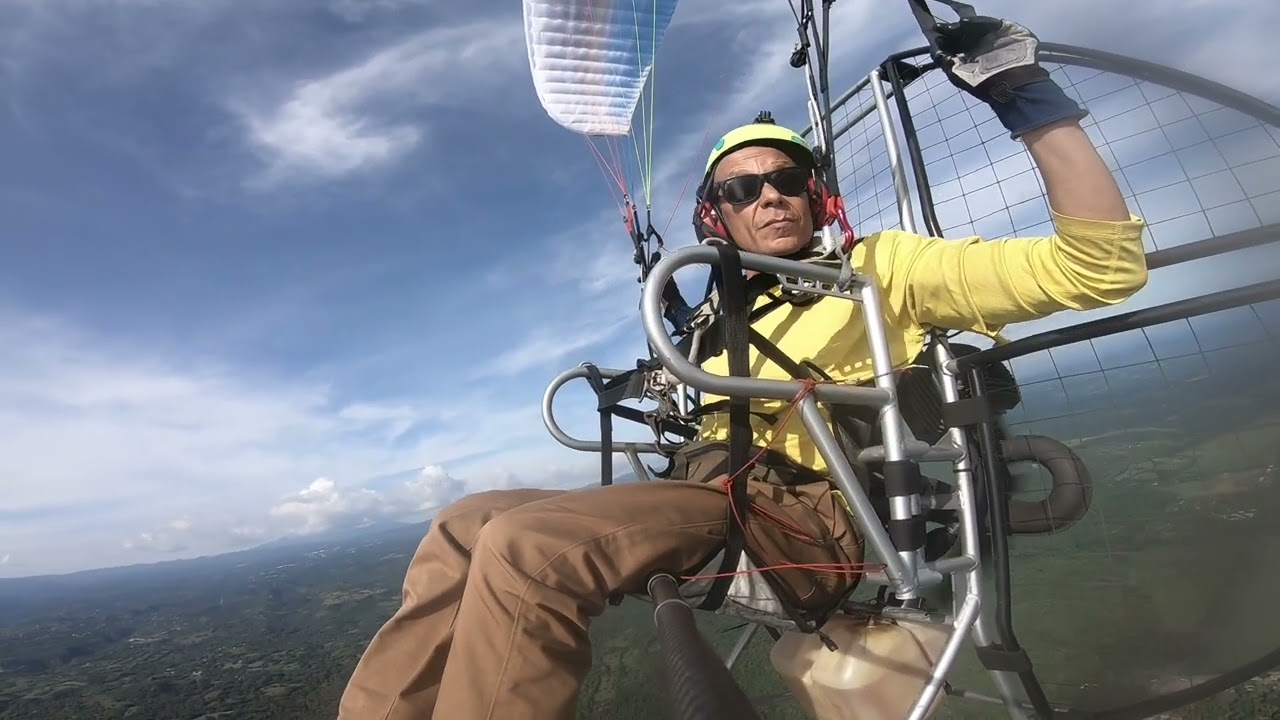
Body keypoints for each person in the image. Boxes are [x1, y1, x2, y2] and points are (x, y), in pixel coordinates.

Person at [336, 25, 1148, 720]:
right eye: (744, 187)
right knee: (461, 526)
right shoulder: (726, 312)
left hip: (801, 512)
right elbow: (693, 394)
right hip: (711, 491)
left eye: (791, 180)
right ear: (716, 214)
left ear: (818, 197)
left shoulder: (882, 269)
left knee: (525, 549)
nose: (772, 197)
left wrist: (1027, 97)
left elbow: (1099, 267)